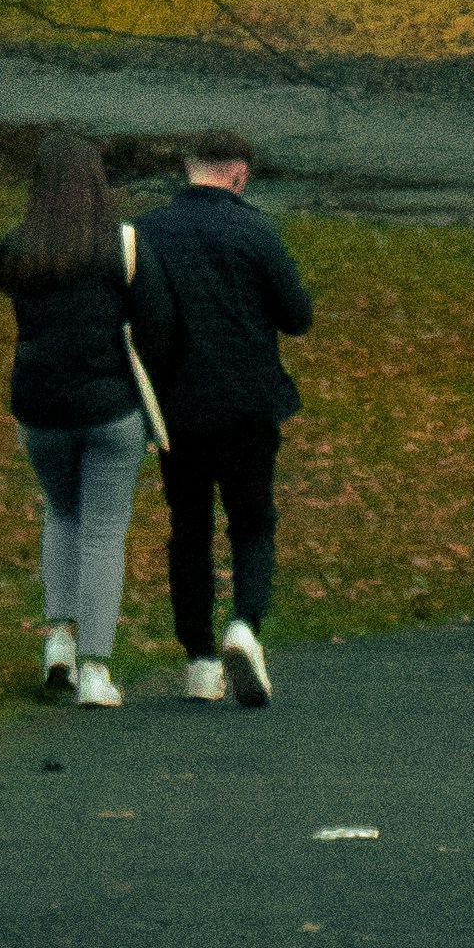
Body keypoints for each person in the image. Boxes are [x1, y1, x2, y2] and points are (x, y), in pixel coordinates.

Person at [134, 135, 314, 708]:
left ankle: (199, 659)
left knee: (188, 526)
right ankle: (245, 623)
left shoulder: (146, 231)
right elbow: (297, 316)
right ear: (237, 173)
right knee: (252, 519)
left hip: (175, 406)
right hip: (247, 400)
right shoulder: (256, 230)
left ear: (189, 168)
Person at [0, 127, 150, 707]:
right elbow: (151, 317)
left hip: (39, 405)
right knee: (104, 533)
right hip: (108, 405)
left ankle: (57, 641)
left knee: (61, 516)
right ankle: (95, 667)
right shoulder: (120, 245)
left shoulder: (15, 249)